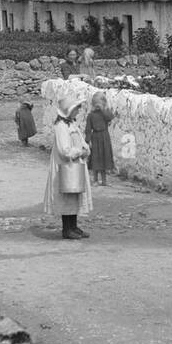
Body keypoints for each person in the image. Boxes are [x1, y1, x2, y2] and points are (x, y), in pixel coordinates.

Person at [44, 91, 93, 238]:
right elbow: (64, 150)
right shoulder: (61, 127)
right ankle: (67, 229)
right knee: (67, 196)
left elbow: (81, 141)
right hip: (65, 167)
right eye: (76, 108)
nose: (78, 110)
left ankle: (74, 225)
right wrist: (78, 152)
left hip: (75, 166)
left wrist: (86, 149)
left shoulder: (71, 124)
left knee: (74, 195)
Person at [85, 91, 116, 186]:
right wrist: (88, 140)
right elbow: (88, 129)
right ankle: (95, 179)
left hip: (104, 137)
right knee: (95, 158)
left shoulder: (105, 114)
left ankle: (104, 180)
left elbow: (110, 117)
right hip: (95, 137)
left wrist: (104, 109)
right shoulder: (91, 115)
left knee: (104, 158)